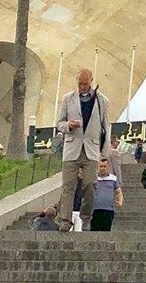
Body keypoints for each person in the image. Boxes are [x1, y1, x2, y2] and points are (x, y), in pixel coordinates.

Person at [55, 67, 111, 231]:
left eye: (85, 84)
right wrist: (69, 126)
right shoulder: (68, 98)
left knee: (90, 184)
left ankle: (85, 218)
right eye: (80, 83)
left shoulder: (101, 100)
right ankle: (65, 220)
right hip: (72, 148)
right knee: (68, 186)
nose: (82, 86)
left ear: (91, 81)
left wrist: (104, 152)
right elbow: (59, 124)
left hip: (91, 149)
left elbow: (105, 127)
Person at [91, 155, 122, 231]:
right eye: (101, 166)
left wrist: (120, 201)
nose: (103, 168)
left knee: (106, 231)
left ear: (108, 167)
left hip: (108, 209)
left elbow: (118, 191)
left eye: (105, 166)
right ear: (98, 167)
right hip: (95, 209)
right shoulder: (93, 178)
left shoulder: (113, 178)